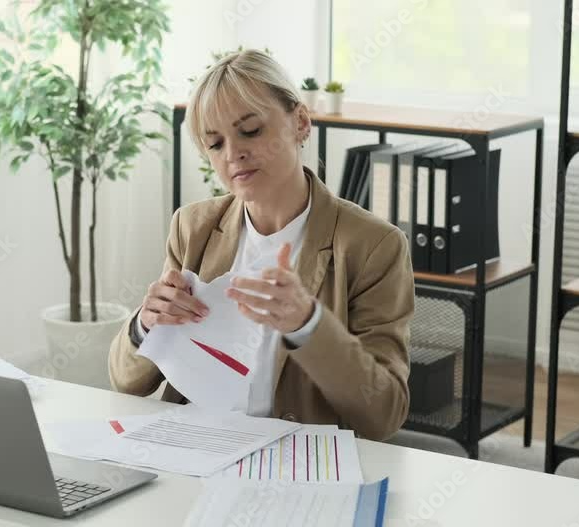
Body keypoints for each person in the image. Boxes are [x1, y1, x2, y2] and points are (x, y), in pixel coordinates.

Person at [108, 49, 415, 441]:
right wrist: (144, 323)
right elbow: (125, 381)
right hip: (197, 447)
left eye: (250, 131)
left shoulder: (374, 245)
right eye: (215, 144)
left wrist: (309, 325)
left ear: (300, 122)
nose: (234, 153)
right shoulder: (193, 227)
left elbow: (384, 414)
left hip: (297, 462)